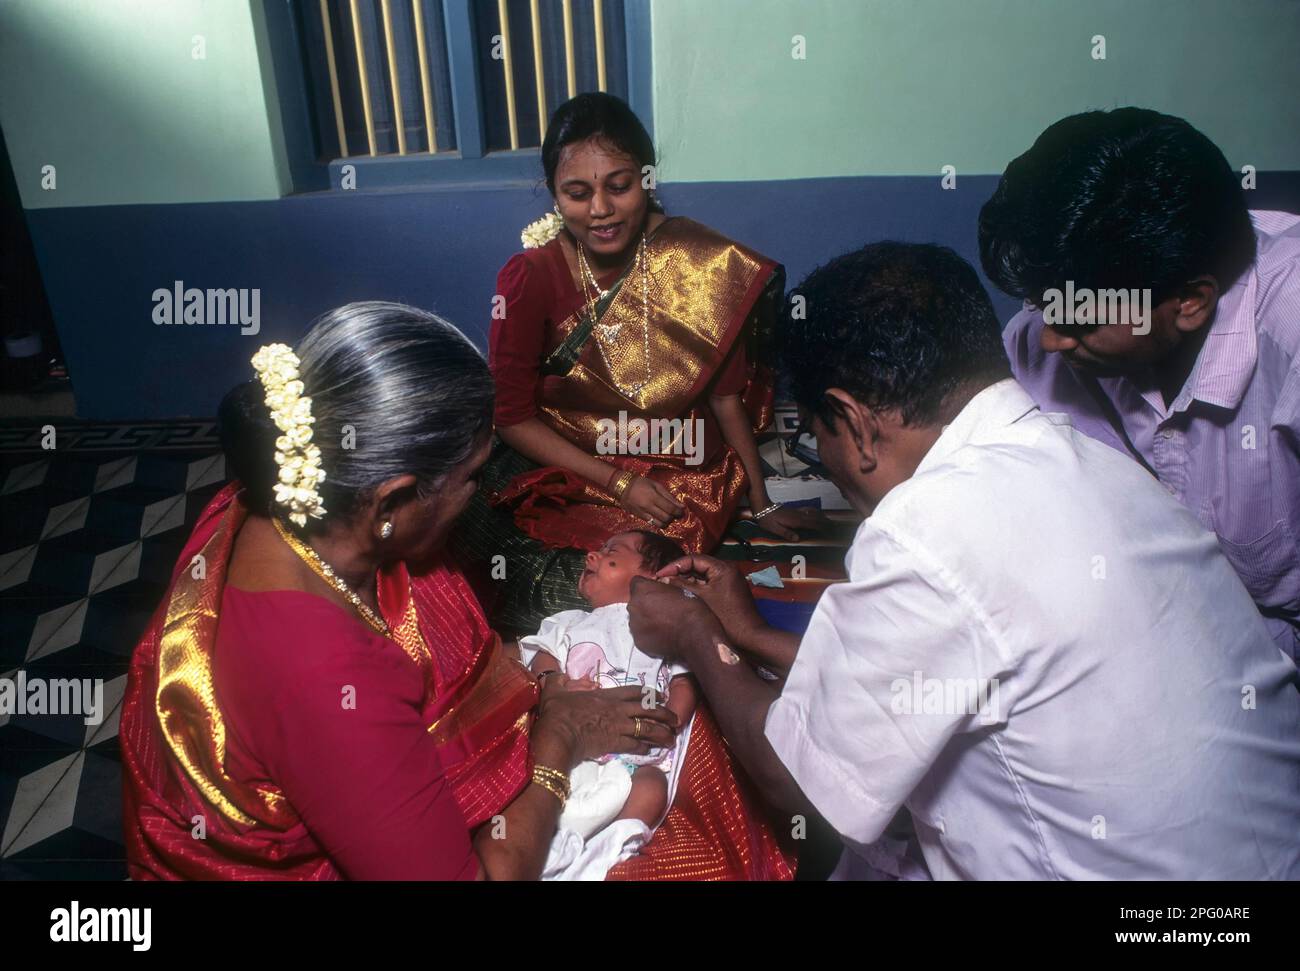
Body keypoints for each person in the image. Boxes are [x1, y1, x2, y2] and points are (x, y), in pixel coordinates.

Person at [627, 242, 1300, 880]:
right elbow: (959, 664)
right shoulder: (1101, 467)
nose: (825, 460)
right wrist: (747, 635)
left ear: (853, 423)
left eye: (814, 434)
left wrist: (697, 635)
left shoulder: (924, 527)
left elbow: (799, 782)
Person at [119, 301, 793, 880]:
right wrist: (557, 740)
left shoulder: (284, 504)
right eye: (473, 477)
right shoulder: (321, 676)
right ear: (395, 499)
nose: (481, 494)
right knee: (706, 825)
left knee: (703, 742)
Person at [451, 92, 821, 636]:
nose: (600, 209)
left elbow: (724, 399)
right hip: (563, 462)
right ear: (554, 193)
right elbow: (511, 418)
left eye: (619, 186)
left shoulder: (699, 264)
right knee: (491, 553)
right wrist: (619, 482)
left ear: (646, 179)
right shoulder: (530, 277)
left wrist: (761, 501)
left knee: (643, 575)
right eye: (577, 193)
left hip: (677, 465)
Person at [978, 107, 1300, 663]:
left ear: (1190, 301)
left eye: (1078, 317)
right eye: (1040, 304)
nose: (1049, 339)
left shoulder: (1288, 325)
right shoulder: (1057, 321)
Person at [520, 531, 698, 877]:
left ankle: (610, 847)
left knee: (652, 787)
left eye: (611, 554)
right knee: (540, 773)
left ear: (653, 578)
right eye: (599, 549)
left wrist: (672, 719)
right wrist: (556, 683)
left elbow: (683, 681)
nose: (592, 556)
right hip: (571, 740)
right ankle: (555, 839)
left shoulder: (665, 629)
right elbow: (543, 658)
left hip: (635, 750)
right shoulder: (569, 621)